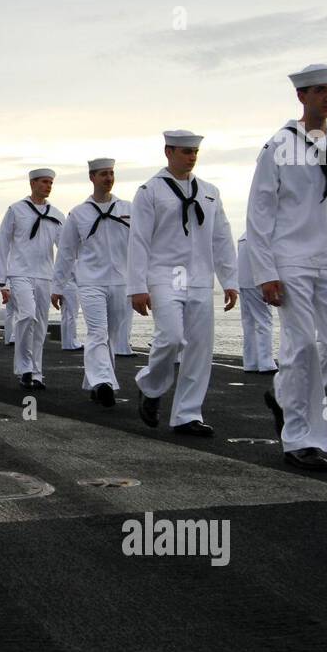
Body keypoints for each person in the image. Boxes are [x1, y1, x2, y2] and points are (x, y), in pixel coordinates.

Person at [246, 63, 327, 470]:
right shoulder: (278, 146)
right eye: (318, 91)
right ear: (301, 96)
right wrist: (265, 272)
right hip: (291, 260)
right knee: (301, 347)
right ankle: (300, 439)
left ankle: (283, 395)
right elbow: (260, 213)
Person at [127, 130, 238, 435]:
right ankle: (150, 387)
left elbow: (222, 237)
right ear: (168, 152)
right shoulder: (150, 191)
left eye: (194, 153)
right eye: (185, 152)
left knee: (200, 349)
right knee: (171, 337)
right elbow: (138, 241)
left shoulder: (210, 191)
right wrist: (136, 286)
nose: (191, 157)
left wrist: (231, 280)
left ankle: (188, 415)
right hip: (164, 275)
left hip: (200, 277)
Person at [51, 157, 131, 407]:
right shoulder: (79, 213)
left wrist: (145, 283)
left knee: (112, 335)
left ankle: (95, 382)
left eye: (111, 173)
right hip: (91, 282)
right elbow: (66, 252)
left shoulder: (128, 208)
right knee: (97, 332)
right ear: (92, 178)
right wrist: (57, 286)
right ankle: (105, 383)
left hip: (121, 281)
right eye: (103, 174)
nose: (108, 178)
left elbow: (141, 248)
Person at [0, 168, 66, 390]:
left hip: (45, 275)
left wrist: (61, 283)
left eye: (51, 183)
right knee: (26, 316)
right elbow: (3, 243)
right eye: (44, 182)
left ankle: (36, 373)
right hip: (20, 273)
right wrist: (2, 280)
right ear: (33, 183)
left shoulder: (56, 214)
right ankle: (24, 367)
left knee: (41, 324)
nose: (48, 186)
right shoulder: (16, 210)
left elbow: (64, 249)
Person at [235, 236, 278, 373]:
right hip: (257, 282)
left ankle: (250, 363)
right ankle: (266, 363)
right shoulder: (262, 235)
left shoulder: (244, 237)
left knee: (248, 323)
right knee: (264, 322)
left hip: (242, 282)